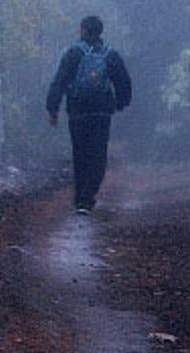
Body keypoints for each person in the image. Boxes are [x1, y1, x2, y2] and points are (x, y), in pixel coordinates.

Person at [46, 15, 132, 213]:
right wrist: (121, 103)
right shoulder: (110, 55)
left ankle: (81, 200)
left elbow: (59, 81)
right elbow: (123, 82)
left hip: (77, 111)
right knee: (98, 152)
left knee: (80, 153)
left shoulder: (73, 54)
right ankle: (89, 194)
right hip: (101, 112)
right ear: (100, 32)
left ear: (83, 30)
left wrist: (53, 108)